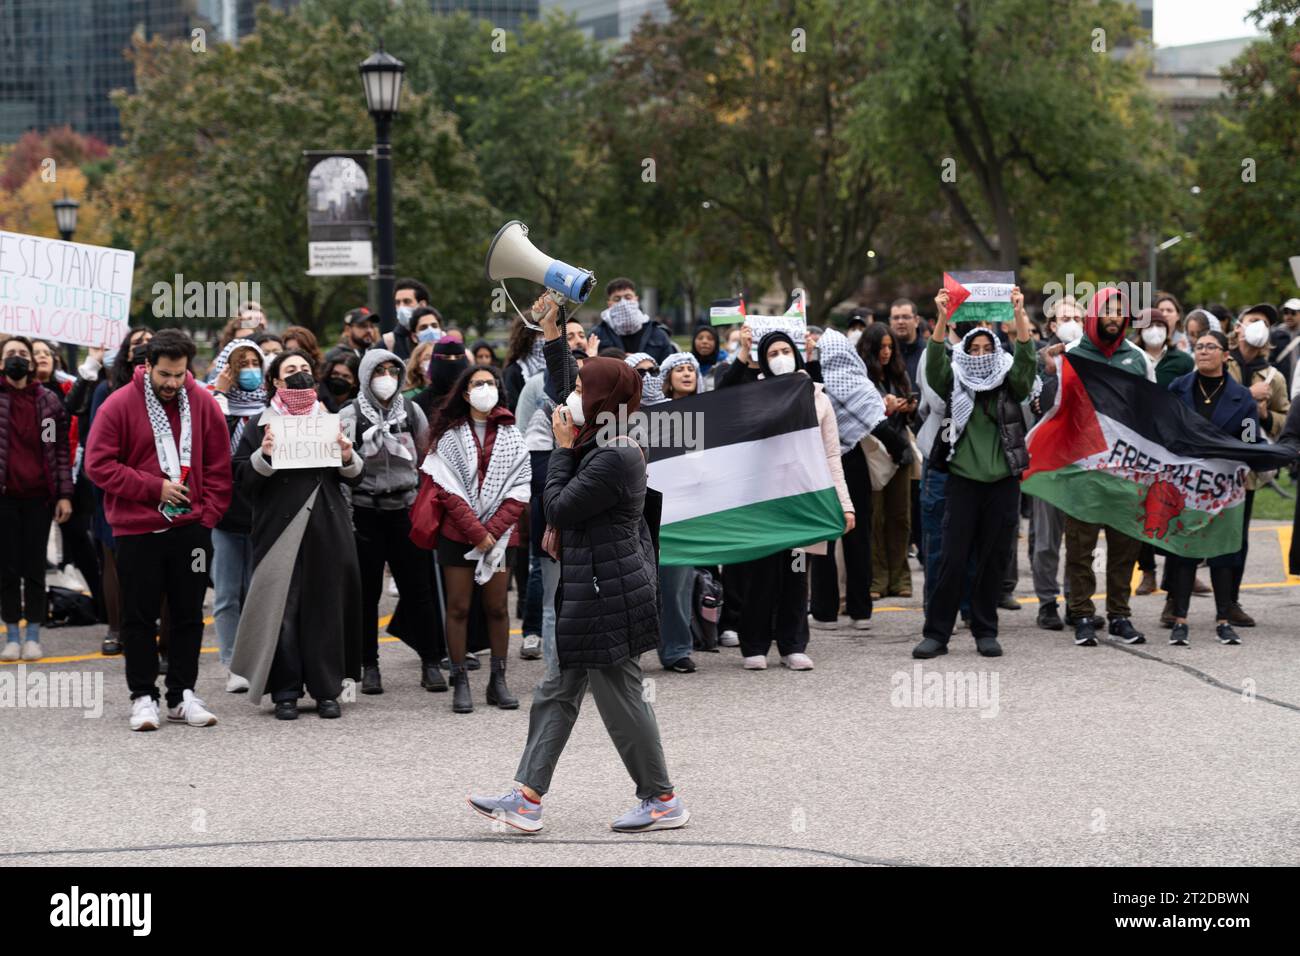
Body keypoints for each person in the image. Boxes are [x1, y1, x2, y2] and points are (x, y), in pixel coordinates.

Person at [468, 299, 687, 834]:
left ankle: (661, 800)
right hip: (595, 585)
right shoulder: (603, 430)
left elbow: (560, 505)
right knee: (558, 691)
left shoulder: (616, 453)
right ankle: (526, 796)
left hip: (606, 592)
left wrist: (561, 451)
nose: (575, 399)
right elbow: (565, 384)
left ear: (605, 400)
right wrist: (550, 332)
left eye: (587, 392)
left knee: (620, 698)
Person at [84, 330, 232, 731]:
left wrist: (208, 517)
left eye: (179, 375)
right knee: (138, 617)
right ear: (147, 366)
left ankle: (182, 694)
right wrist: (155, 488)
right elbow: (97, 465)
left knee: (187, 615)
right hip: (136, 530)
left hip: (191, 529)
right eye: (164, 374)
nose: (171, 383)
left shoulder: (201, 402)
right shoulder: (118, 405)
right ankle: (143, 696)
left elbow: (219, 465)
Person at [230, 350, 363, 720]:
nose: (300, 375)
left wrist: (348, 455)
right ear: (276, 381)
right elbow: (242, 481)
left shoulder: (330, 419)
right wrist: (265, 455)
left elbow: (355, 474)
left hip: (326, 524)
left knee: (325, 606)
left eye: (305, 368)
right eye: (291, 371)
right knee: (282, 610)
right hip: (279, 528)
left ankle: (326, 689)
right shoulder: (260, 424)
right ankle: (285, 690)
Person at [912, 287, 1037, 660]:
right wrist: (941, 318)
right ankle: (937, 633)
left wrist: (1019, 315)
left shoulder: (1009, 382)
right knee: (950, 558)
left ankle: (985, 629)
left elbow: (1026, 365)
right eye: (973, 349)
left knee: (992, 558)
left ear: (996, 351)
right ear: (964, 353)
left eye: (987, 348)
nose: (980, 355)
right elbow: (934, 366)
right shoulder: (955, 380)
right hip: (962, 481)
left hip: (1002, 483)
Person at [733, 330, 852, 670]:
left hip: (804, 501)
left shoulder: (817, 397)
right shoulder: (751, 394)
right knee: (761, 576)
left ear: (797, 355)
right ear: (763, 360)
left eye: (786, 350)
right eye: (773, 353)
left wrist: (844, 504)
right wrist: (743, 353)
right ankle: (754, 645)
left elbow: (832, 455)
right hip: (765, 502)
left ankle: (792, 644)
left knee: (797, 574)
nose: (781, 357)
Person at [423, 364, 530, 713]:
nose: (485, 388)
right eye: (477, 383)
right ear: (465, 393)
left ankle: (497, 681)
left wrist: (492, 533)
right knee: (459, 607)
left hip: (501, 537)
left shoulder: (513, 434)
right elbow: (446, 491)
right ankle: (461, 681)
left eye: (490, 382)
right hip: (457, 535)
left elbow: (520, 488)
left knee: (497, 608)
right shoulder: (449, 435)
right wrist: (477, 533)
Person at [1051, 287, 1153, 648]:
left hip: (1127, 470)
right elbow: (1057, 412)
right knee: (1081, 547)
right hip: (1084, 470)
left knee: (1124, 547)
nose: (1113, 318)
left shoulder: (1137, 358)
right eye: (1106, 311)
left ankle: (1120, 616)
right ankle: (1081, 614)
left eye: (1119, 312)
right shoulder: (1073, 355)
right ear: (1094, 314)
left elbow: (1151, 413)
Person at [340, 348, 444, 695]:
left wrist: (425, 507)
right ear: (365, 376)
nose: (386, 377)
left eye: (392, 370)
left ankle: (431, 661)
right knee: (366, 595)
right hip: (364, 512)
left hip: (405, 510)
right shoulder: (349, 416)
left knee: (419, 590)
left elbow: (428, 457)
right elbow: (338, 471)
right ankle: (369, 664)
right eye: (378, 371)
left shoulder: (411, 412)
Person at [1162, 330, 1260, 646]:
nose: (1203, 351)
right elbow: (1166, 431)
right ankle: (1180, 620)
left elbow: (1249, 440)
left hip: (1225, 484)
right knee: (1184, 552)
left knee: (1223, 552)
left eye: (1210, 347)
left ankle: (1222, 620)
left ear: (1225, 354)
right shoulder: (1178, 389)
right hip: (1187, 482)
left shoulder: (1242, 397)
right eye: (1199, 346)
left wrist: (1246, 465)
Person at [808, 328, 903, 632]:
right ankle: (861, 611)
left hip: (822, 463)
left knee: (825, 537)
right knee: (857, 538)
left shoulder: (815, 382)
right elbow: (879, 424)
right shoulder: (860, 383)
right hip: (853, 463)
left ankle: (824, 612)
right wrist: (902, 453)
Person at [0, 336, 73, 661]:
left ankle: (33, 635)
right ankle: (11, 634)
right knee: (6, 568)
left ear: (32, 362)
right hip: (4, 498)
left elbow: (56, 451)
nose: (17, 358)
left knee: (34, 567)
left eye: (22, 354)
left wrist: (63, 495)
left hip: (38, 499)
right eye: (10, 354)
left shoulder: (46, 403)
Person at [1222, 303, 1292, 627]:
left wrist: (1265, 415)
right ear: (1238, 327)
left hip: (1247, 469)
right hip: (1215, 463)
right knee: (1203, 530)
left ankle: (1230, 601)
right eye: (1253, 320)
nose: (1259, 326)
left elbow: (1286, 420)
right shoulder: (1222, 363)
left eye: (1264, 322)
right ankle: (1175, 601)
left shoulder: (1273, 375)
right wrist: (1248, 396)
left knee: (1239, 536)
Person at [206, 338, 268, 693]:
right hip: (226, 511)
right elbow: (210, 440)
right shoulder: (214, 405)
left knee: (259, 589)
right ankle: (232, 663)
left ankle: (257, 658)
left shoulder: (268, 410)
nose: (248, 370)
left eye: (253, 362)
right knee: (229, 592)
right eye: (239, 363)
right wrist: (220, 393)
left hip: (260, 511)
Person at [1133, 302, 1194, 597]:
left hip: (1173, 444)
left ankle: (1178, 573)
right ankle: (1147, 572)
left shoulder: (1182, 361)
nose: (1155, 330)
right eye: (1148, 325)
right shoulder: (1131, 358)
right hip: (1139, 443)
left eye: (1160, 324)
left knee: (1173, 506)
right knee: (1142, 508)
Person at [859, 323, 915, 598]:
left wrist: (908, 407)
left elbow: (913, 416)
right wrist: (885, 406)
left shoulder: (898, 374)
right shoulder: (862, 377)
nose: (886, 352)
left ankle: (901, 578)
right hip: (874, 452)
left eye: (890, 346)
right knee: (875, 517)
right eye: (881, 347)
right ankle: (877, 579)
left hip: (900, 449)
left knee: (900, 517)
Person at [588, 278, 676, 363]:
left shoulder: (658, 334)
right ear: (609, 304)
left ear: (636, 299)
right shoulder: (597, 335)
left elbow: (668, 368)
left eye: (628, 297)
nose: (623, 303)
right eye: (617, 299)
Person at [502, 317, 546, 412]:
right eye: (539, 333)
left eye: (546, 332)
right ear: (526, 337)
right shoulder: (514, 372)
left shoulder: (557, 366)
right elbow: (512, 408)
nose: (544, 338)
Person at [318, 347, 360, 412]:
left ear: (355, 382)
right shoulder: (317, 398)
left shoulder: (358, 406)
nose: (339, 378)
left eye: (346, 376)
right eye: (335, 374)